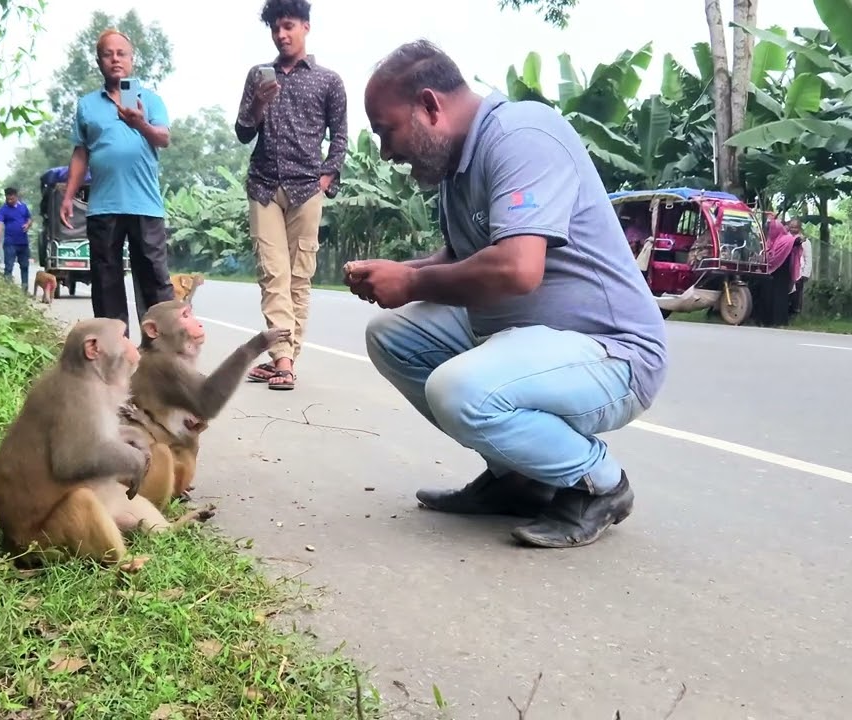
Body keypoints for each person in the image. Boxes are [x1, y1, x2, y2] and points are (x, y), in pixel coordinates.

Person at [343, 40, 669, 549]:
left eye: (387, 131)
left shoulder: (521, 135)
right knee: (392, 335)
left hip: (612, 353)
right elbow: (458, 257)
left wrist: (410, 283)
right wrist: (395, 272)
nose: (386, 151)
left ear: (430, 106)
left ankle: (600, 483)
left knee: (459, 389)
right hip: (528, 339)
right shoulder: (458, 165)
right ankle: (518, 477)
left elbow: (517, 269)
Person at [235, 0, 348, 391]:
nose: (281, 35)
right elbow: (243, 132)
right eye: (275, 29)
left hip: (306, 188)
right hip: (264, 186)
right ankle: (283, 359)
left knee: (299, 277)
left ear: (305, 26)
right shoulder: (257, 76)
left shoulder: (328, 81)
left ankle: (284, 358)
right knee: (272, 273)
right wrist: (259, 103)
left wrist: (326, 178)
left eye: (288, 26)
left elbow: (341, 136)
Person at [59, 28, 174, 332]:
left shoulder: (149, 101)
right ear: (99, 61)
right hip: (103, 207)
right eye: (107, 54)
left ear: (132, 59)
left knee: (155, 283)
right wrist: (69, 196)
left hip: (145, 205)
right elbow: (81, 153)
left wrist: (141, 124)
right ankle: (115, 354)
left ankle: (160, 355)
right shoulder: (87, 105)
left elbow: (163, 138)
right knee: (106, 282)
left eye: (121, 53)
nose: (115, 59)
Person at [0, 187, 32, 293]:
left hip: (23, 243)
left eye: (11, 198)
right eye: (7, 198)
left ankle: (24, 290)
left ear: (16, 196)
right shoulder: (3, 209)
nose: (9, 200)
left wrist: (27, 225)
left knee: (24, 266)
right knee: (9, 267)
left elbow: (29, 219)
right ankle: (8, 291)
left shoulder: (23, 207)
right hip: (10, 243)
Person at [788, 217, 812, 315]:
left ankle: (795, 315)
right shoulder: (786, 238)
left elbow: (808, 258)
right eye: (791, 227)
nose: (793, 230)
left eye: (796, 227)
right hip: (787, 271)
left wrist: (806, 274)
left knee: (797, 296)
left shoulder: (805, 241)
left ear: (800, 228)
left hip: (799, 273)